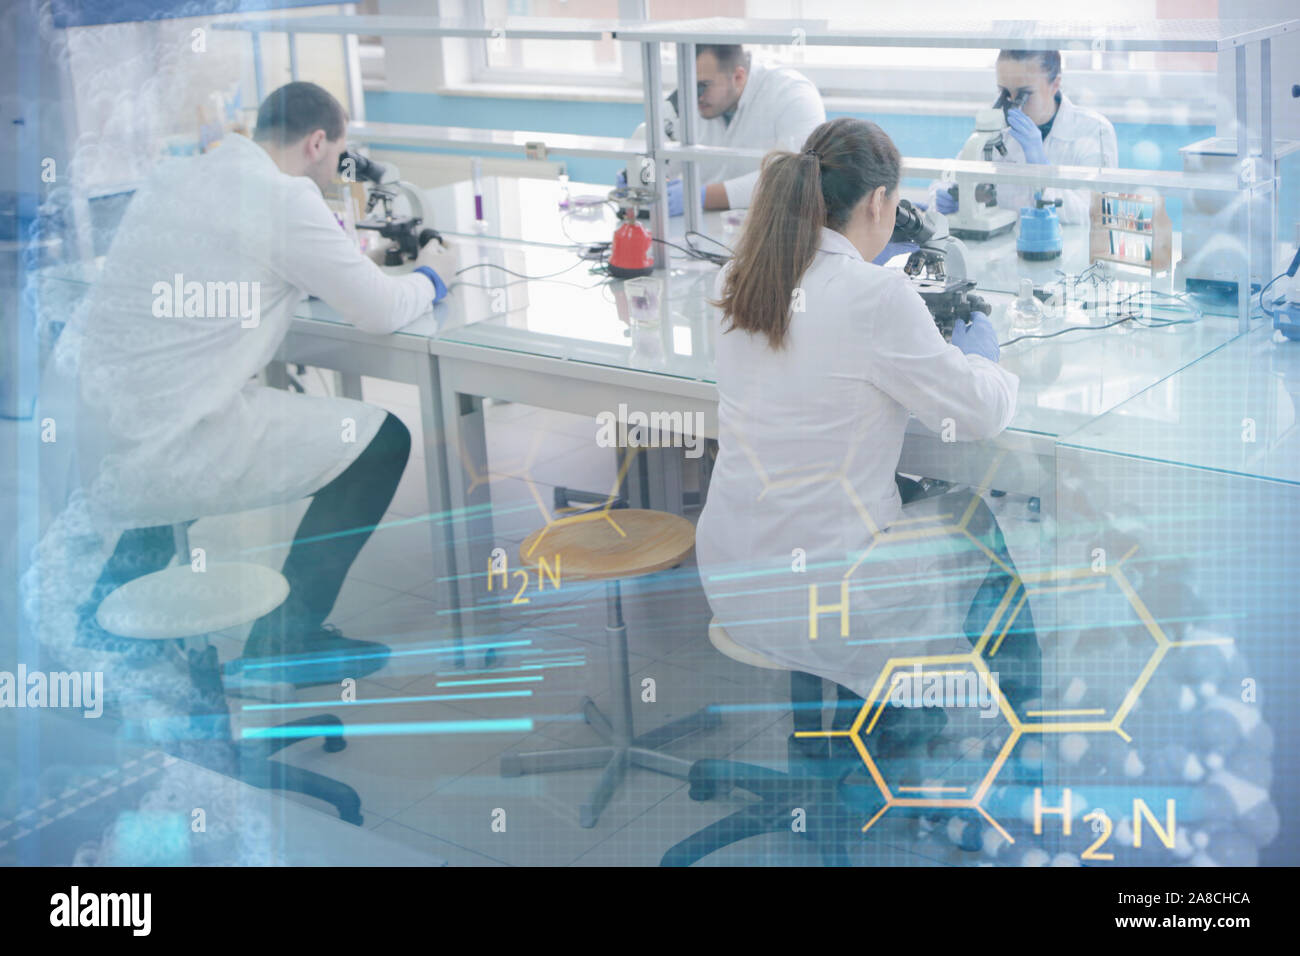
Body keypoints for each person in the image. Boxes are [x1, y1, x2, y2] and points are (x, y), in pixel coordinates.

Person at [71, 81, 449, 685]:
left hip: (105, 424)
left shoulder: (181, 176)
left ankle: (102, 623)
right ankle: (286, 642)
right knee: (382, 441)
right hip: (180, 433)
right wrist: (433, 277)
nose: (333, 175)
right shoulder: (283, 198)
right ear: (318, 142)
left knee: (169, 449)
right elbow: (378, 311)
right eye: (334, 159)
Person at [696, 117, 1040, 759]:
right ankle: (1026, 746)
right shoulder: (877, 295)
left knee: (880, 497)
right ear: (879, 201)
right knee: (974, 521)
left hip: (733, 576)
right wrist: (981, 350)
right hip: (824, 597)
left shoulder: (737, 277)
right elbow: (980, 414)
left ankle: (844, 735)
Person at [631, 44, 825, 214]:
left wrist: (700, 197)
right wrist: (639, 177)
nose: (694, 96)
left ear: (738, 77)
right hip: (704, 225)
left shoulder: (793, 94)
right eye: (687, 86)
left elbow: (795, 177)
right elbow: (665, 159)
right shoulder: (693, 101)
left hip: (772, 230)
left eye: (703, 86)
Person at [932, 49, 1118, 225]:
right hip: (1002, 249)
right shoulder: (998, 129)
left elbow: (1095, 216)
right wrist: (946, 199)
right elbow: (948, 181)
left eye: (1024, 94)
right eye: (1004, 93)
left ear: (1055, 85)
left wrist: (1042, 170)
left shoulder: (1094, 131)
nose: (1013, 105)